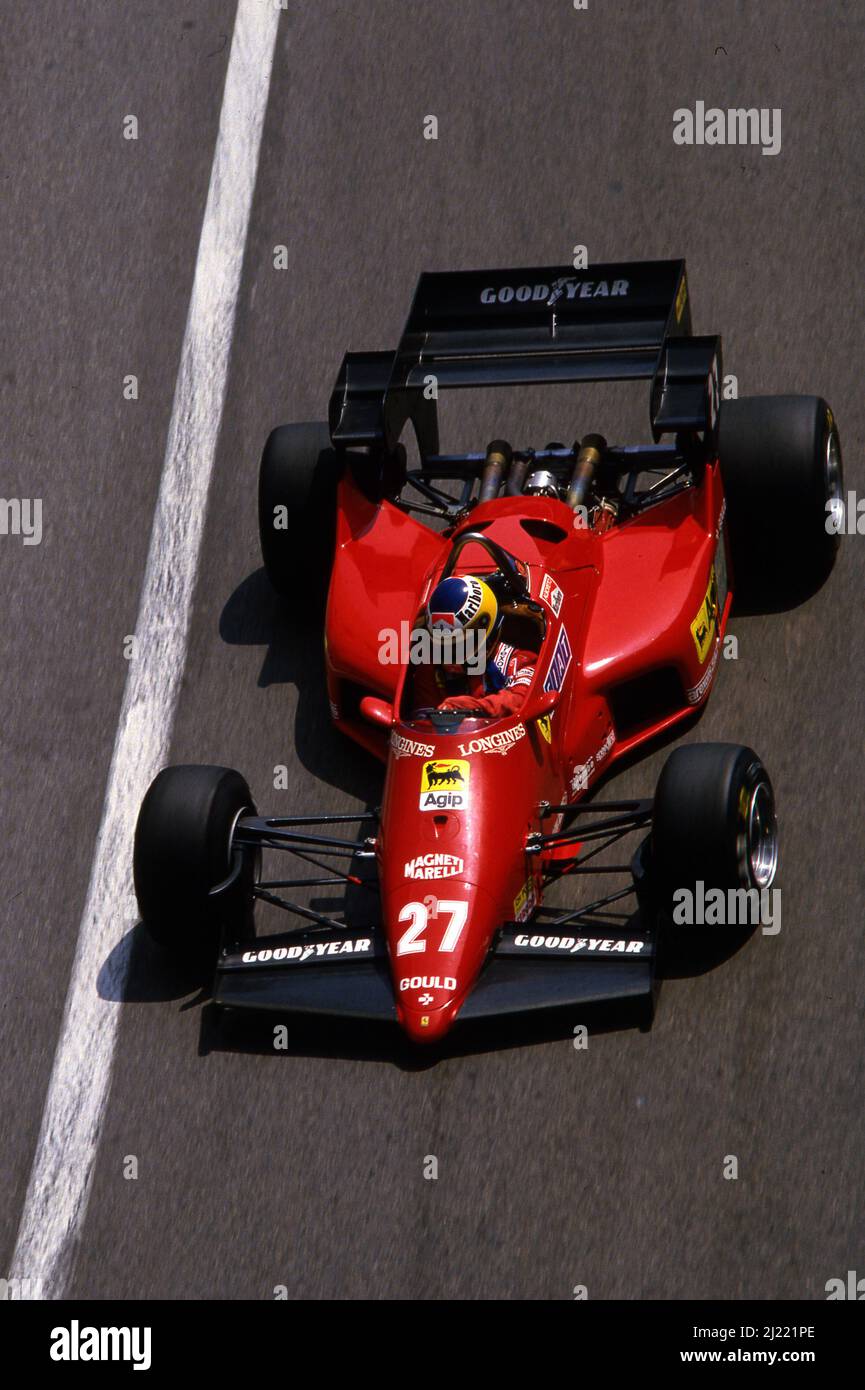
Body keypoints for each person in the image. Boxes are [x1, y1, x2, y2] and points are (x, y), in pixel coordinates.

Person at [411, 575, 536, 718]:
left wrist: (467, 708)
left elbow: (521, 700)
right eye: (442, 644)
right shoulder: (429, 667)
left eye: (458, 645)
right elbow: (423, 720)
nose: (449, 657)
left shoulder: (518, 660)